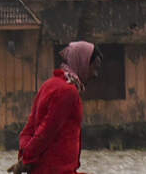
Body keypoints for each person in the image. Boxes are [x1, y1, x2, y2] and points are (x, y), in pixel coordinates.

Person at [8, 41, 103, 174]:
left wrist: (25, 159)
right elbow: (46, 131)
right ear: (83, 62)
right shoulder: (68, 91)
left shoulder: (49, 84)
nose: (95, 74)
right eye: (94, 68)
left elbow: (29, 130)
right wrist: (26, 160)